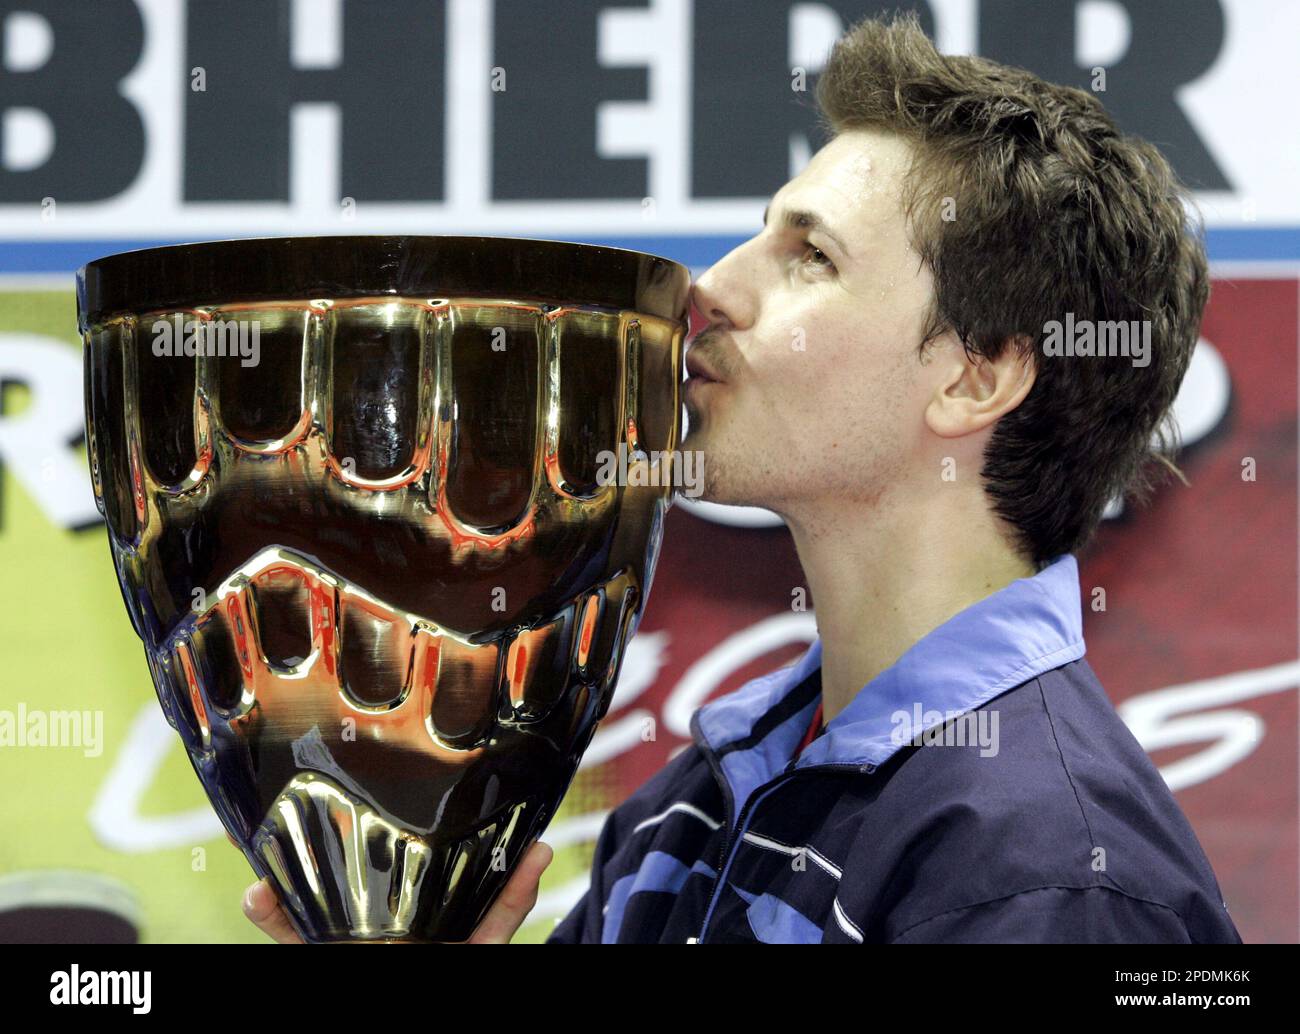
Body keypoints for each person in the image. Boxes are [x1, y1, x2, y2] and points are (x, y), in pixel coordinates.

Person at [244, 10, 1241, 944]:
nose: (710, 287)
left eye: (809, 255)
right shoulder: (700, 798)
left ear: (974, 375)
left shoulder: (1056, 881)